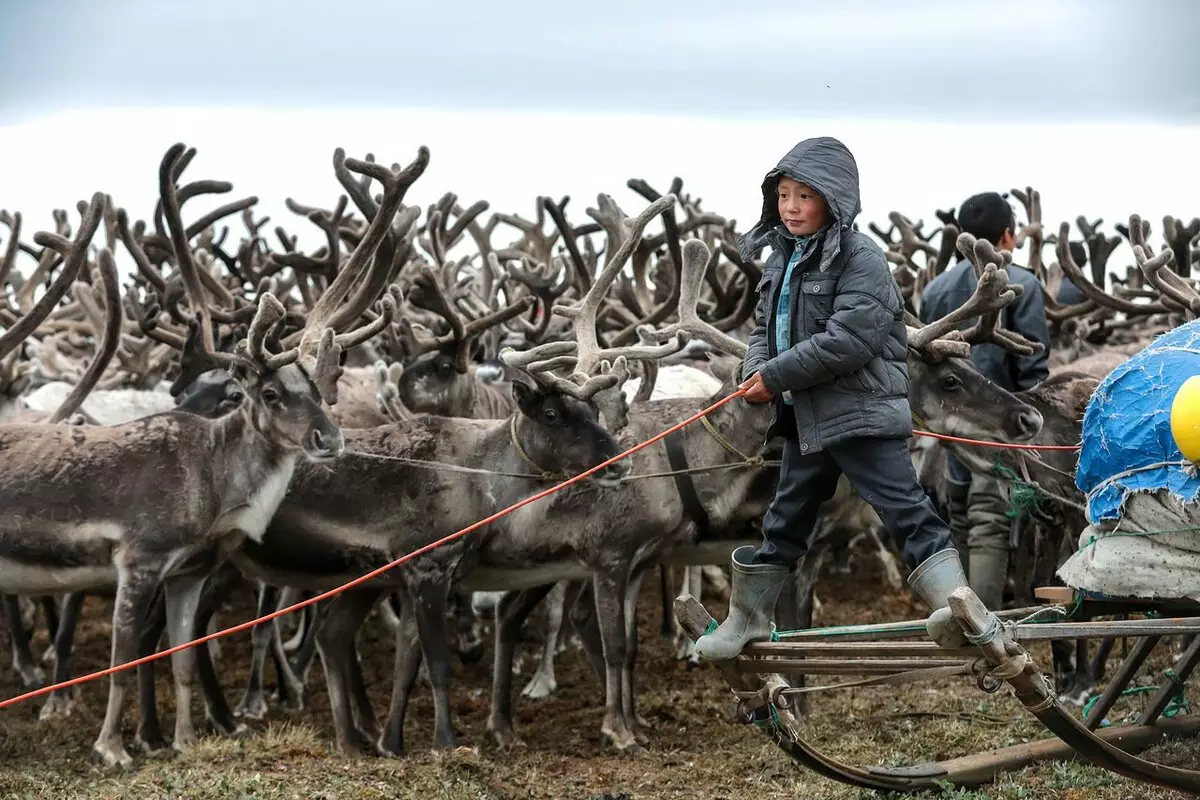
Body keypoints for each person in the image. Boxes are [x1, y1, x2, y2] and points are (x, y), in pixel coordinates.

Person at [694, 136, 968, 661]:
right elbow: (764, 330)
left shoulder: (860, 258)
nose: (791, 207)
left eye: (804, 196)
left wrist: (774, 376)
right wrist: (754, 369)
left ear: (834, 199)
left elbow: (849, 340)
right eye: (784, 195)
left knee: (904, 509)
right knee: (784, 519)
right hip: (807, 417)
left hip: (860, 412)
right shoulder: (782, 259)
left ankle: (959, 608)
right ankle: (747, 620)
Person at [917, 192, 1051, 611]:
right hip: (998, 426)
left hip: (949, 428)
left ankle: (958, 616)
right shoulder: (1022, 284)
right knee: (991, 523)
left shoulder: (936, 290)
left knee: (958, 517)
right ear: (1008, 235)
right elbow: (1033, 365)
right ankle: (985, 630)